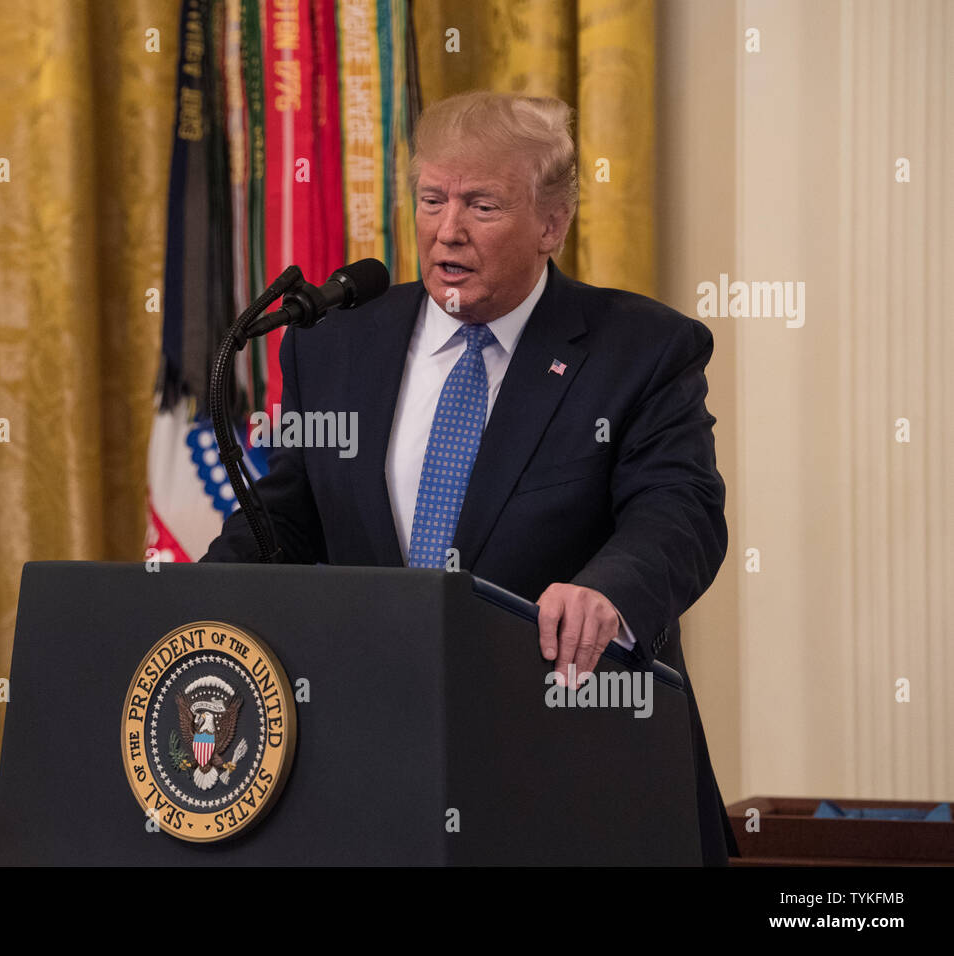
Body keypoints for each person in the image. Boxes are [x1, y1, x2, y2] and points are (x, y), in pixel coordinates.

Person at [202, 91, 735, 864]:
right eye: (431, 199)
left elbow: (678, 510)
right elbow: (287, 515)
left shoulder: (639, 351)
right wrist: (189, 600)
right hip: (378, 767)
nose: (447, 230)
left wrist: (610, 591)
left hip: (569, 761)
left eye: (482, 205)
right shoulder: (335, 344)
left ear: (552, 224)